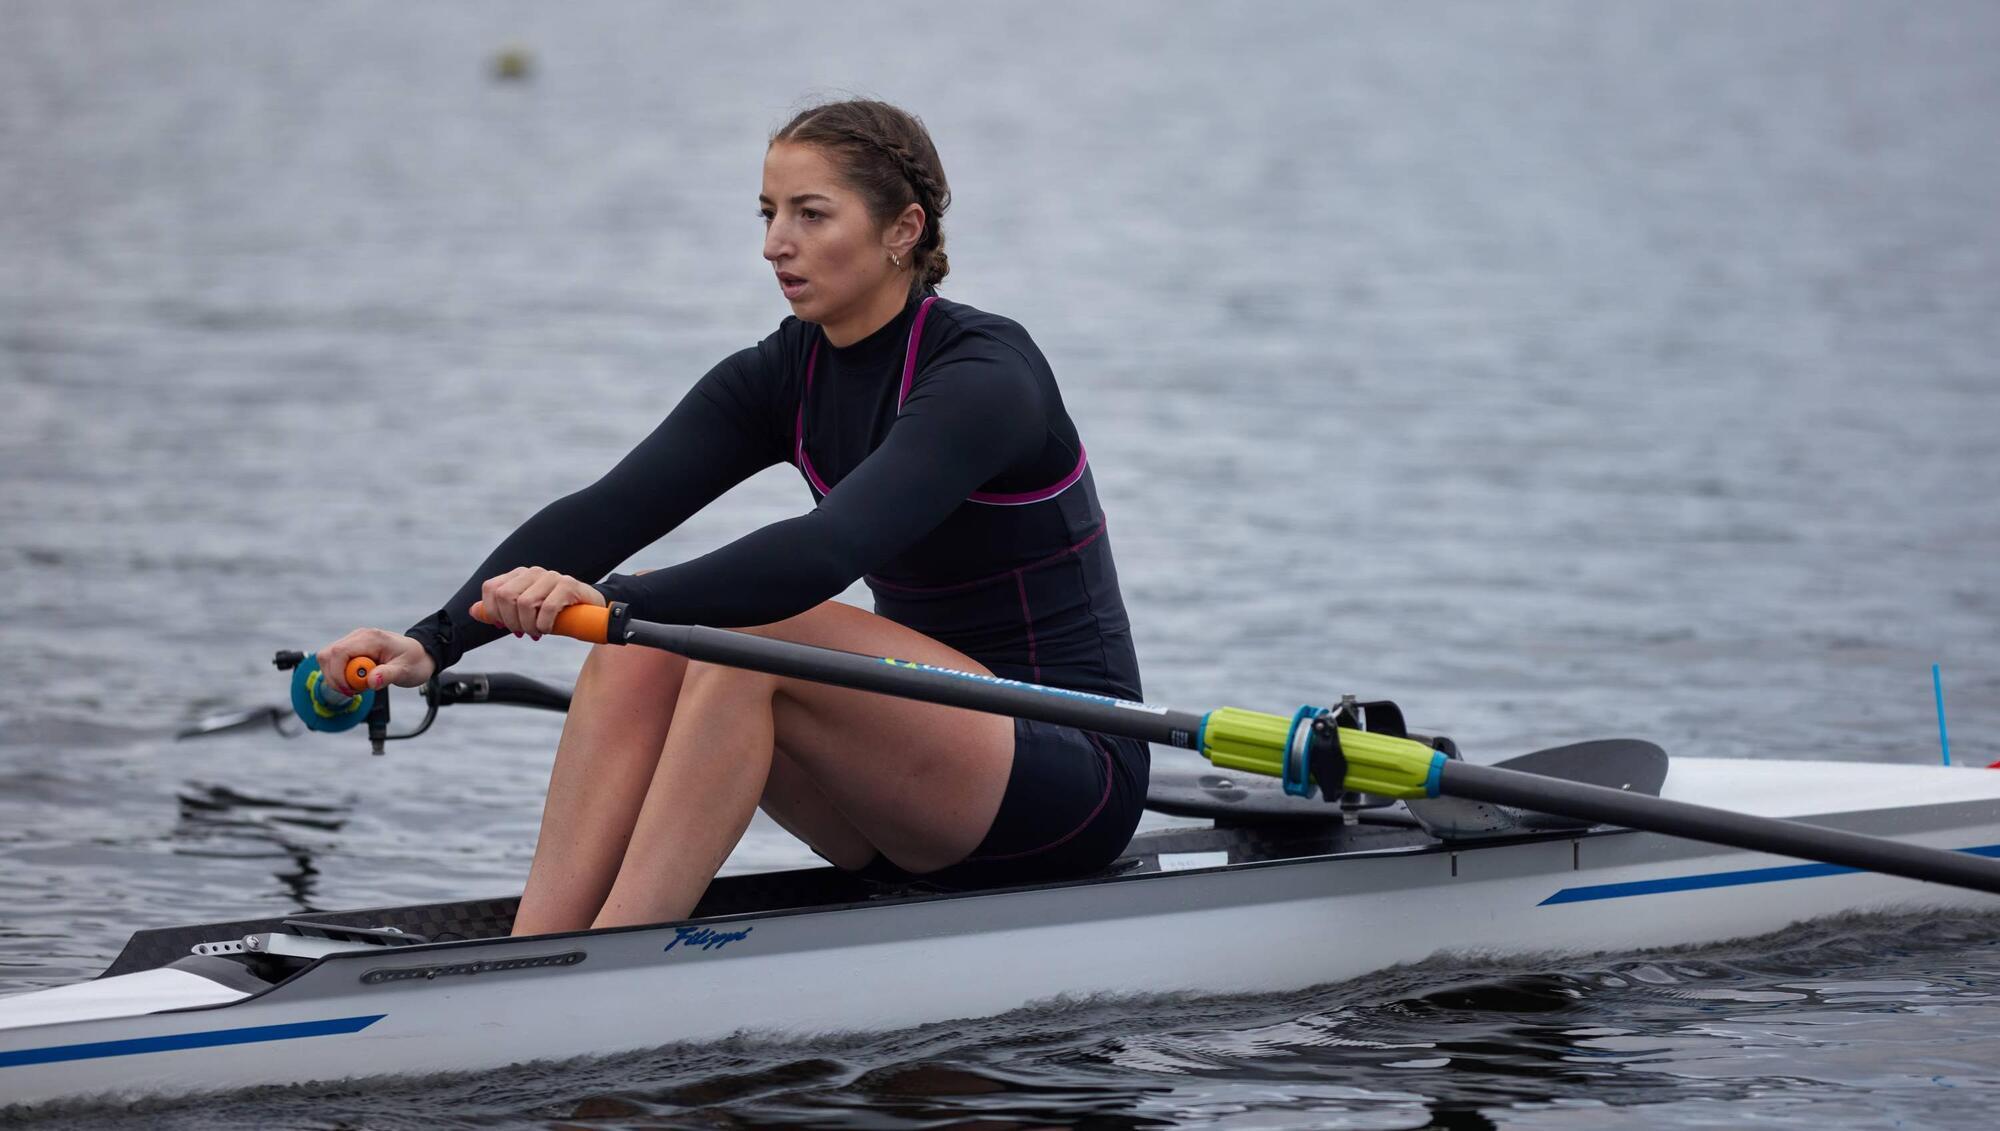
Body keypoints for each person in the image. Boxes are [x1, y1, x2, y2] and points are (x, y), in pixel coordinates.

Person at [317, 99, 1146, 935]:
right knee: (640, 646)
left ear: (903, 230)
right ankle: (541, 948)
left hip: (1069, 772)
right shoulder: (784, 372)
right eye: (768, 212)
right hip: (903, 783)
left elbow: (825, 551)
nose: (773, 243)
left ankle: (610, 967)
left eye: (810, 214)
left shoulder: (986, 375)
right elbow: (608, 510)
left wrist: (609, 602)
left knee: (726, 637)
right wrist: (435, 638)